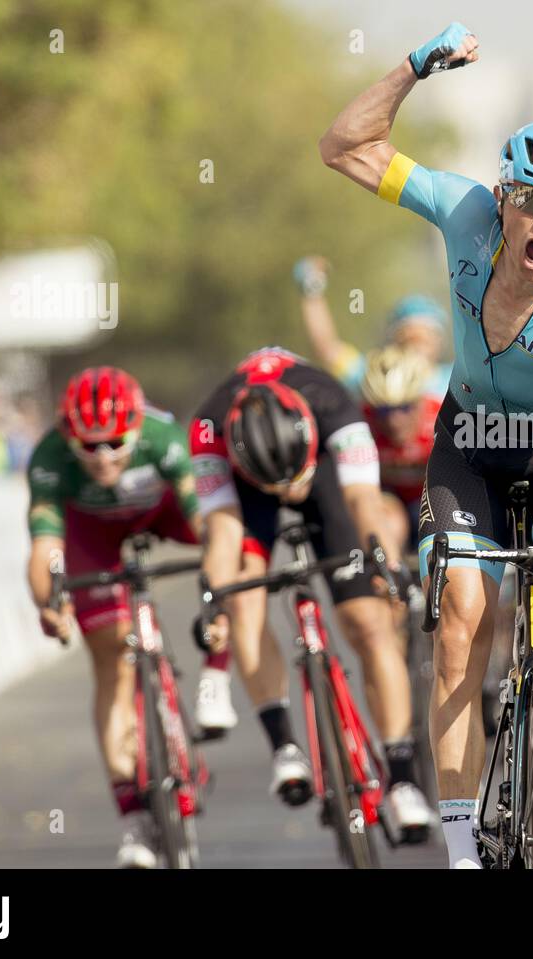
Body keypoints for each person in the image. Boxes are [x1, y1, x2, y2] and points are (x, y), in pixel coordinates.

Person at [319, 21, 533, 868]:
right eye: (529, 202)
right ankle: (457, 850)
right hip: (470, 442)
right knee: (459, 626)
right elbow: (341, 146)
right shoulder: (462, 210)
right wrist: (412, 68)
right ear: (503, 196)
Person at [190, 345, 434, 840]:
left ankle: (402, 777)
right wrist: (212, 596)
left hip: (324, 472)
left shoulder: (335, 407)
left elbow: (364, 501)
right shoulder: (208, 431)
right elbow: (223, 530)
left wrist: (388, 566)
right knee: (243, 598)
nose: (288, 492)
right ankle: (284, 746)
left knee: (368, 622)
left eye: (290, 480)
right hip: (247, 490)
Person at [26, 367, 202, 867]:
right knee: (111, 661)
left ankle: (215, 675)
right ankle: (131, 810)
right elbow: (44, 548)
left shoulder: (163, 437)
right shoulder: (49, 457)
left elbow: (203, 516)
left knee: (227, 558)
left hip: (160, 514)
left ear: (137, 428)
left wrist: (221, 582)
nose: (102, 457)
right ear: (68, 437)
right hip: (93, 536)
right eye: (88, 447)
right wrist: (50, 605)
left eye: (114, 444)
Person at [295, 255, 452, 398]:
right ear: (393, 341)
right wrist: (312, 290)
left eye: (423, 339)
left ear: (439, 341)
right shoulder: (372, 377)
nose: (416, 349)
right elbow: (329, 350)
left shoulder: (456, 382)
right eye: (408, 338)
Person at [359, 345, 442, 551]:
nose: (394, 421)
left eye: (404, 408)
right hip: (389, 499)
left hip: (431, 498)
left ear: (419, 402)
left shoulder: (441, 418)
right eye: (383, 410)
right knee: (390, 521)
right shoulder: (361, 422)